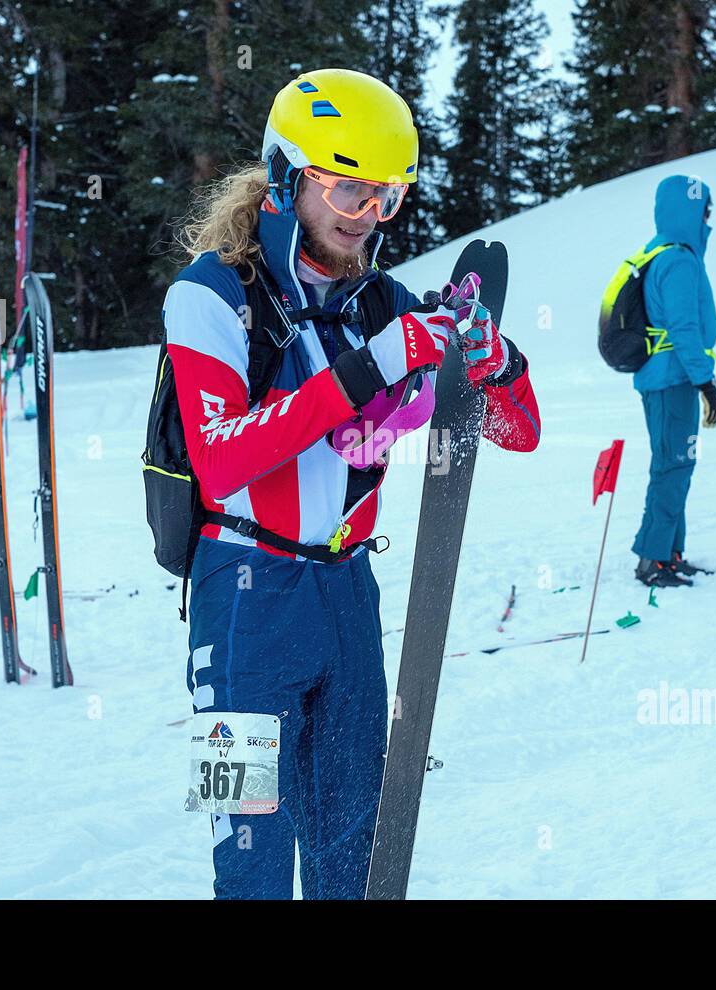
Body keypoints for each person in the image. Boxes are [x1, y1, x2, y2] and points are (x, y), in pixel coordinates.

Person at [166, 68, 540, 900]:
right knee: (248, 857)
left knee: (353, 850)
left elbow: (518, 432)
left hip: (346, 594)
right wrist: (380, 362)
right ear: (288, 173)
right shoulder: (209, 294)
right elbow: (222, 458)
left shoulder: (382, 302)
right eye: (346, 189)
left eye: (385, 198)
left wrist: (494, 362)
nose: (364, 216)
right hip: (242, 600)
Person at [629, 175, 716, 588]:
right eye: (704, 212)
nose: (707, 221)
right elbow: (685, 328)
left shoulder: (660, 253)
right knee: (672, 465)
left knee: (675, 464)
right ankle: (652, 561)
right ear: (688, 212)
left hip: (664, 378)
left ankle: (669, 553)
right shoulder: (679, 260)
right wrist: (706, 383)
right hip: (673, 379)